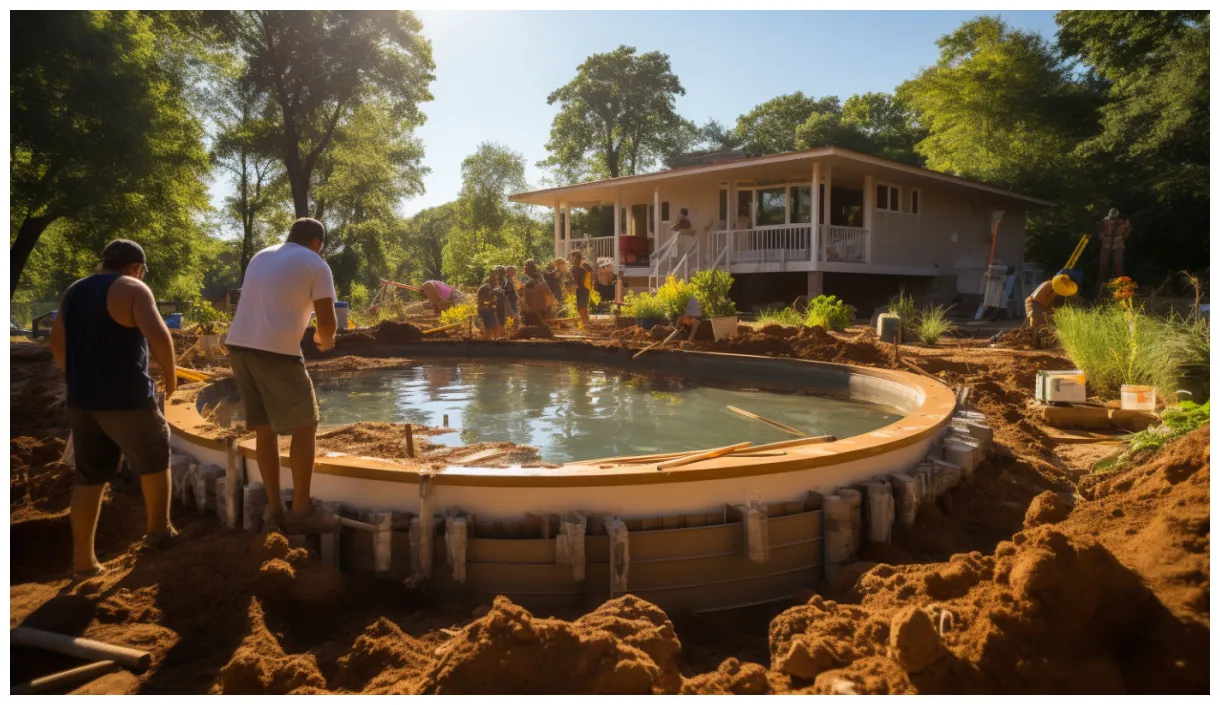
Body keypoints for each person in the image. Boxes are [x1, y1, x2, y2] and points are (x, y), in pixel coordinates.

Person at [48, 239, 179, 580]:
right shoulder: (132, 288)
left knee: (89, 476)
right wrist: (170, 374)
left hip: (82, 399)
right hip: (126, 399)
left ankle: (84, 563)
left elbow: (55, 341)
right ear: (136, 267)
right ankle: (159, 533)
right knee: (154, 456)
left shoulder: (73, 292)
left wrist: (74, 375)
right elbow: (159, 335)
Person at [225, 218, 340, 534]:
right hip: (276, 354)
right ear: (317, 243)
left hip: (239, 348)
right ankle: (301, 511)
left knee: (265, 429)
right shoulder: (316, 264)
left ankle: (275, 512)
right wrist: (323, 341)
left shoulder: (262, 256)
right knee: (306, 426)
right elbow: (328, 324)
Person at [1024, 271, 1080, 349]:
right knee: (1040, 326)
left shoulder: (1052, 283)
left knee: (1042, 326)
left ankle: (1038, 346)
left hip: (1039, 303)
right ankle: (1036, 347)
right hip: (1035, 303)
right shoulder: (1056, 286)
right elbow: (1054, 302)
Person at [1095, 208, 1132, 298]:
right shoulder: (1104, 221)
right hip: (1106, 245)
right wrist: (1103, 237)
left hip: (1118, 244)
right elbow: (1098, 233)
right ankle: (1099, 289)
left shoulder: (1123, 222)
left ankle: (1122, 288)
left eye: (1114, 218)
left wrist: (1122, 238)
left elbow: (1129, 229)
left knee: (1117, 264)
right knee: (1103, 265)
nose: (1112, 220)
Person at [569, 250, 594, 327]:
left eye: (572, 257)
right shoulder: (574, 267)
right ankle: (585, 324)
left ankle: (584, 324)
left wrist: (590, 282)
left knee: (582, 307)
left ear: (576, 257)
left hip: (584, 288)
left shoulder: (584, 264)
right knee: (580, 307)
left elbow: (592, 272)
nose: (571, 259)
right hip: (578, 288)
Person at [477, 270, 503, 340]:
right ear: (493, 280)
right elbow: (484, 301)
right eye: (496, 279)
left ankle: (489, 342)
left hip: (485, 310)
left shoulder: (489, 287)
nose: (498, 281)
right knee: (496, 328)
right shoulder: (487, 288)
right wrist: (493, 302)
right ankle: (493, 342)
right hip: (486, 311)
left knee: (489, 328)